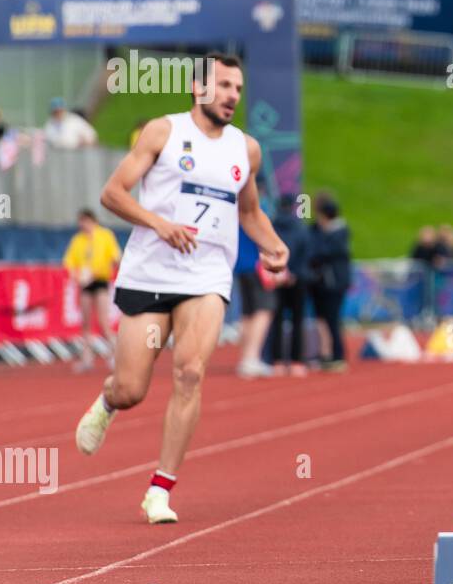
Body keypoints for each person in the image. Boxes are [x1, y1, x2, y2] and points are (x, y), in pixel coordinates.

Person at [73, 53, 289, 524]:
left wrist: (274, 245)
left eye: (238, 88)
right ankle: (108, 401)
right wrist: (160, 224)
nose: (233, 95)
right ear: (198, 88)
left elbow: (249, 211)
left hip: (207, 275)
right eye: (225, 85)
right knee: (133, 389)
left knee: (190, 372)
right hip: (151, 274)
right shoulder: (163, 132)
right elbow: (113, 193)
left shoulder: (245, 150)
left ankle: (159, 489)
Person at [62, 208, 122, 371]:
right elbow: (69, 262)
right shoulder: (78, 240)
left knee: (103, 321)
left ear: (92, 221)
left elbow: (115, 256)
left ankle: (116, 355)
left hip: (100, 280)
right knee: (86, 323)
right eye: (81, 222)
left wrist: (110, 264)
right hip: (85, 283)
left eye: (85, 221)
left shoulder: (105, 235)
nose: (83, 225)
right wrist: (76, 275)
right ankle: (86, 359)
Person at [267, 193, 311, 375]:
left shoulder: (271, 227)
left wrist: (279, 273)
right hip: (297, 279)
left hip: (276, 277)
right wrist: (294, 273)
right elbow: (307, 253)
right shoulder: (300, 228)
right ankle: (297, 362)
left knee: (275, 320)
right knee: (297, 320)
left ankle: (276, 361)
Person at [308, 194, 351, 372]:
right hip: (321, 283)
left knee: (332, 319)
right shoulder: (318, 230)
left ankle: (338, 354)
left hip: (334, 283)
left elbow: (321, 252)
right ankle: (325, 352)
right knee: (321, 319)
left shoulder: (339, 233)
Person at [233, 225, 276, 378]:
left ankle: (246, 357)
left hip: (239, 263)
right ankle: (251, 358)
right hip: (258, 264)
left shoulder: (235, 209)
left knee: (248, 312)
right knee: (264, 309)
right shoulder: (256, 210)